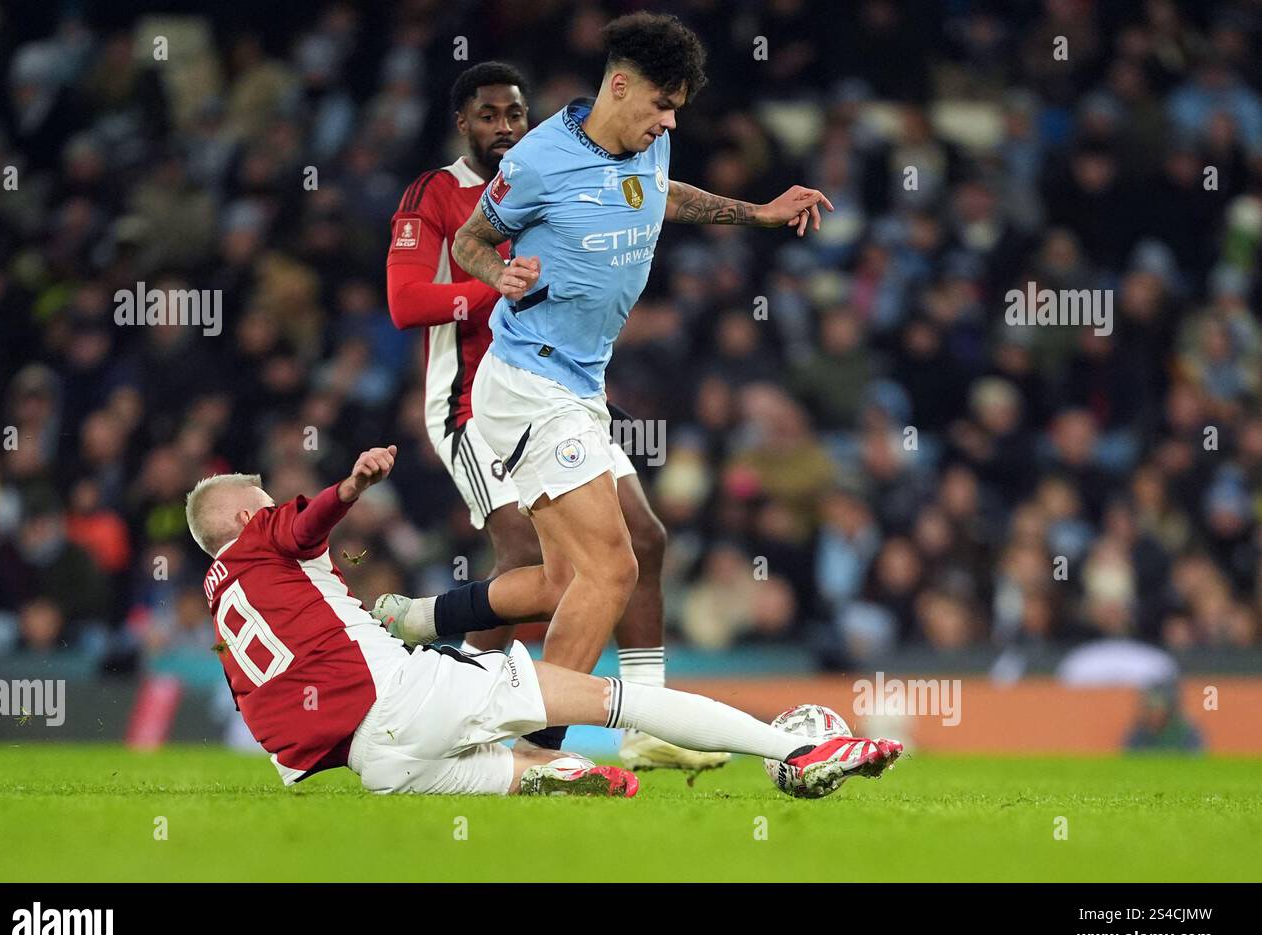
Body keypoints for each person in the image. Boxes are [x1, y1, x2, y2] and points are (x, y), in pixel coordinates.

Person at [384, 14, 832, 760]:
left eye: (677, 109)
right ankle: (534, 745)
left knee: (577, 572)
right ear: (618, 86)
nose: (669, 121)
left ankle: (424, 619)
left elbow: (659, 195)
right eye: (661, 104)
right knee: (610, 568)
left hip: (579, 386)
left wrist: (756, 213)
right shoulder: (536, 161)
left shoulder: (649, 146)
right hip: (528, 383)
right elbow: (470, 241)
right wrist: (500, 274)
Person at [185, 445, 903, 796]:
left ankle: (546, 769)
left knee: (514, 767)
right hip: (407, 697)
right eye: (267, 498)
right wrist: (351, 486)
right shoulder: (264, 535)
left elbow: (283, 739)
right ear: (248, 517)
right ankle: (791, 747)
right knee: (611, 697)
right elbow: (307, 523)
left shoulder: (225, 611)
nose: (278, 502)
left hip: (376, 767)